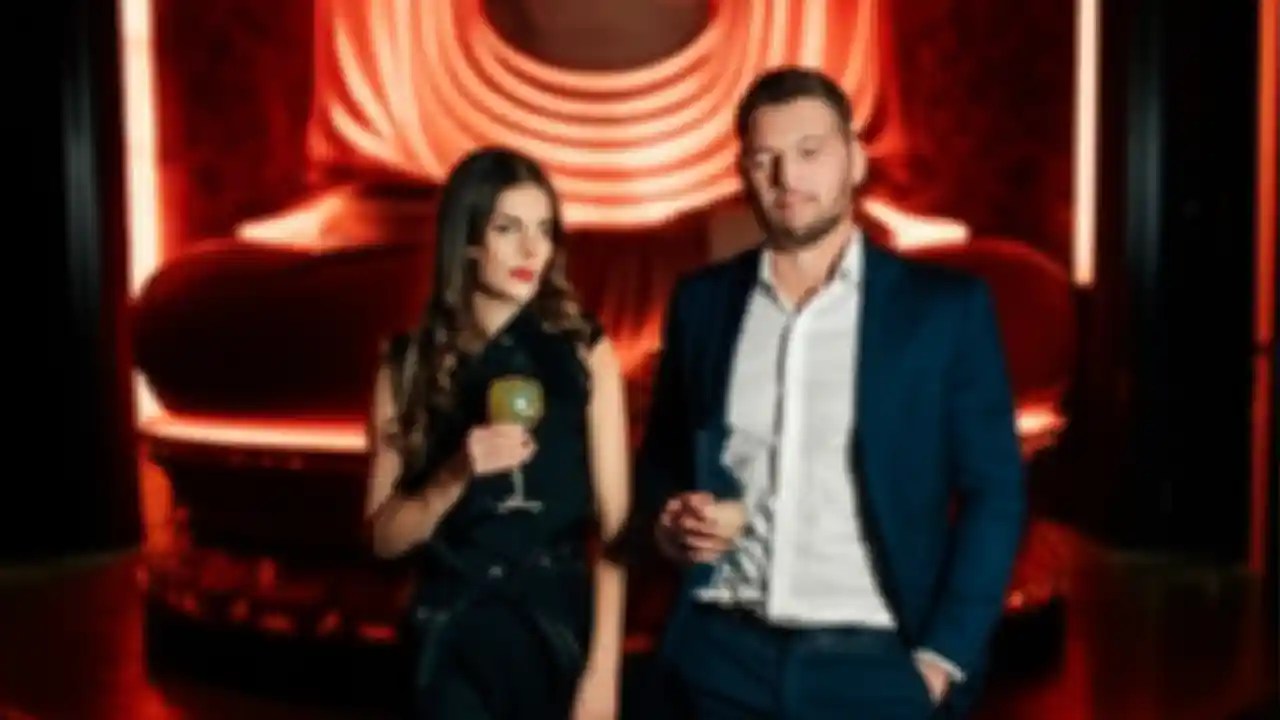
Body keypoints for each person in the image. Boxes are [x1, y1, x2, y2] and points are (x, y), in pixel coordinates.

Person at [637, 68, 1026, 719]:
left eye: (810, 152)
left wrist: (942, 658)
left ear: (854, 158)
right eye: (766, 159)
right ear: (743, 172)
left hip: (876, 667)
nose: (788, 178)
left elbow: (997, 490)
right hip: (720, 657)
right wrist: (671, 524)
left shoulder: (944, 311)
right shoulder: (702, 303)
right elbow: (662, 463)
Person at [365, 148, 630, 719]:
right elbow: (384, 538)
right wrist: (454, 474)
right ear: (468, 241)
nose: (533, 251)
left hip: (556, 628)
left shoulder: (587, 353)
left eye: (544, 230)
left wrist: (604, 673)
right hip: (449, 636)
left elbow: (617, 531)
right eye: (508, 229)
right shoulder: (407, 365)